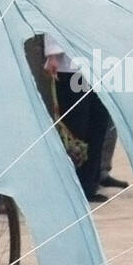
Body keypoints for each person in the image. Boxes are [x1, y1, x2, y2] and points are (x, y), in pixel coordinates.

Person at [44, 34, 112, 202]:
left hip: (101, 64)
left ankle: (88, 186)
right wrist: (52, 55)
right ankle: (69, 185)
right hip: (70, 66)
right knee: (75, 128)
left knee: (98, 124)